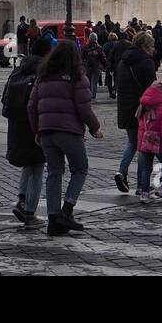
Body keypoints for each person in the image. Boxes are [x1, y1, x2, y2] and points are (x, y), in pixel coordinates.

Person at [27, 41, 102, 236]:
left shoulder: (42, 77)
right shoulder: (77, 77)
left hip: (46, 132)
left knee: (54, 173)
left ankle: (53, 220)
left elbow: (31, 106)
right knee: (80, 169)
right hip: (68, 131)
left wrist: (37, 130)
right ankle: (67, 210)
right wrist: (95, 128)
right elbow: (84, 108)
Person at [3, 35, 51, 227]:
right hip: (35, 126)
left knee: (27, 165)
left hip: (16, 125)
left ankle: (22, 200)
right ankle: (30, 212)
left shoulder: (18, 70)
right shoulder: (43, 73)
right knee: (38, 167)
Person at [113, 32, 156, 193]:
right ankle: (141, 184)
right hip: (142, 109)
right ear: (145, 47)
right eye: (151, 46)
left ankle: (122, 172)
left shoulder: (123, 61)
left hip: (125, 109)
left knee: (132, 143)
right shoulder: (146, 62)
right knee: (144, 147)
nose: (153, 50)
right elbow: (153, 89)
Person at [135, 80, 162, 202]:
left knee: (146, 168)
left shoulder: (143, 106)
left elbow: (141, 128)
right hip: (159, 143)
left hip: (145, 141)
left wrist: (139, 144)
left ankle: (144, 193)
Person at [83, 34, 107, 99]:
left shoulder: (86, 47)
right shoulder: (98, 47)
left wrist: (83, 64)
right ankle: (93, 96)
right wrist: (105, 66)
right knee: (94, 82)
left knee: (89, 81)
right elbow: (103, 58)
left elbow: (82, 57)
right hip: (97, 66)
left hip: (88, 66)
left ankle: (88, 95)